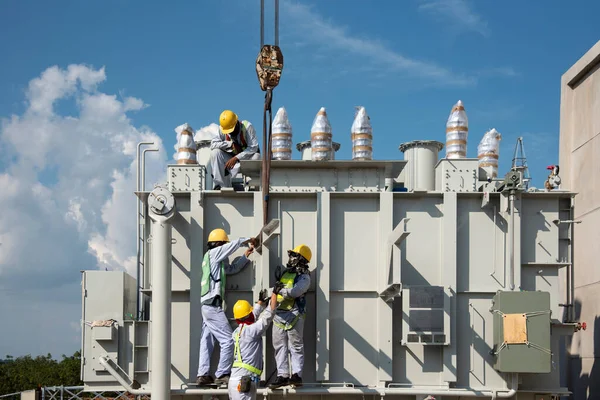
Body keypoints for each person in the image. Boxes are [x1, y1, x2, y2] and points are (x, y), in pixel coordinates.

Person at [196, 228, 257, 387]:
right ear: (219, 244)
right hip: (212, 305)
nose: (226, 250)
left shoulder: (216, 262)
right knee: (228, 340)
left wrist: (245, 256)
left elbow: (233, 269)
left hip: (207, 305)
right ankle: (222, 373)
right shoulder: (213, 254)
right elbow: (229, 248)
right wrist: (245, 240)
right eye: (224, 245)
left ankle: (203, 375)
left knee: (207, 341)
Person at [269, 244, 312, 389]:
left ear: (301, 259)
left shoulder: (305, 277)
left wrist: (279, 290)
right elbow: (277, 289)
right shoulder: (285, 273)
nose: (291, 258)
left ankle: (297, 375)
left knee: (296, 346)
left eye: (294, 255)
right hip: (279, 314)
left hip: (294, 314)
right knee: (279, 346)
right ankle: (283, 375)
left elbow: (295, 292)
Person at [228, 290, 278, 399]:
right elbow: (268, 315)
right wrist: (275, 294)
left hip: (237, 381)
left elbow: (250, 317)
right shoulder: (251, 331)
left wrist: (260, 303)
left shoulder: (237, 332)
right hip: (243, 383)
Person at [210, 110, 260, 190]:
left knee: (256, 157)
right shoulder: (223, 129)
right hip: (230, 160)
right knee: (215, 153)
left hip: (246, 159)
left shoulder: (247, 127)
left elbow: (253, 147)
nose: (230, 133)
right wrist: (230, 145)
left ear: (236, 123)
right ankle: (220, 185)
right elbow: (213, 144)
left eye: (231, 130)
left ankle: (253, 185)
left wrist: (236, 158)